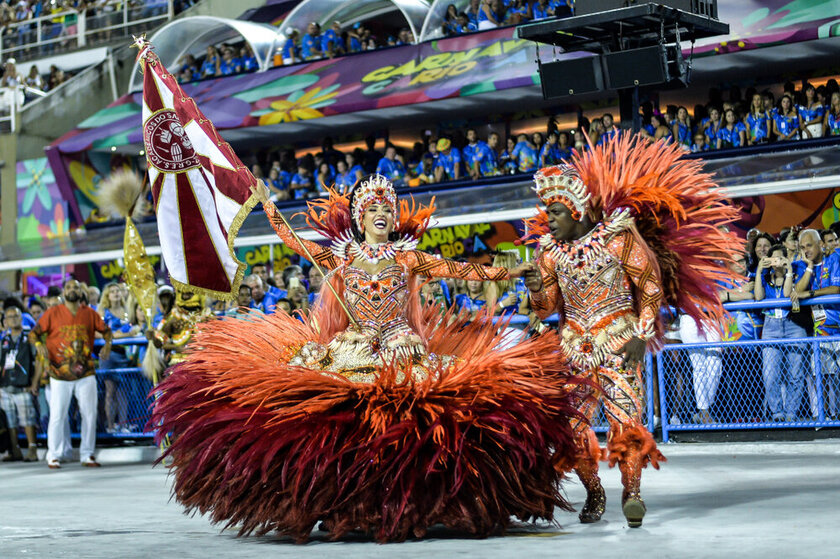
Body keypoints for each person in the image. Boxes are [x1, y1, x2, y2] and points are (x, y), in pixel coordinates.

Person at [152, 174, 585, 541]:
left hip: (402, 346)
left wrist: (507, 272)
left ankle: (418, 501)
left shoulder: (408, 257)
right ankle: (345, 503)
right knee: (336, 420)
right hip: (353, 346)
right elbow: (293, 241)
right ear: (361, 218)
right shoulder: (340, 256)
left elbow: (460, 270)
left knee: (417, 420)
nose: (383, 213)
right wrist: (266, 203)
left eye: (388, 207)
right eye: (374, 207)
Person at [520, 135, 740, 528]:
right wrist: (536, 286)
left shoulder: (617, 237)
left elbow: (650, 285)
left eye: (555, 212)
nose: (548, 219)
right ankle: (594, 492)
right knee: (571, 430)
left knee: (628, 423)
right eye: (547, 212)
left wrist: (642, 334)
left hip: (621, 342)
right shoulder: (549, 252)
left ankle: (632, 493)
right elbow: (546, 308)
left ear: (577, 210)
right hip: (572, 347)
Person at [30, 279, 112, 469]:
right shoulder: (52, 313)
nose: (72, 290)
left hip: (86, 373)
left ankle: (87, 454)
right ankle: (53, 455)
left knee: (89, 414)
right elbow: (33, 334)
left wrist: (107, 346)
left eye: (76, 287)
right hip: (59, 374)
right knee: (57, 415)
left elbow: (107, 332)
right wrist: (39, 344)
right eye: (68, 287)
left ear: (80, 292)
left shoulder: (90, 313)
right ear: (63, 292)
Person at [756, 244, 806, 421]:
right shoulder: (764, 276)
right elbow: (759, 297)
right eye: (773, 259)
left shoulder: (796, 273)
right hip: (770, 326)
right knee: (770, 374)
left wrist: (789, 269)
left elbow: (787, 294)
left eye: (780, 258)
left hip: (793, 325)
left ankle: (791, 413)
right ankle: (777, 412)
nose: (776, 262)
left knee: (795, 373)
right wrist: (759, 271)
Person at [0, 306, 39, 462]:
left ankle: (32, 449)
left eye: (16, 316)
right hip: (5, 385)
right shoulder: (3, 340)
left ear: (21, 318)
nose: (13, 319)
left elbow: (39, 362)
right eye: (9, 317)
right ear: (5, 322)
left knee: (28, 419)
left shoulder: (29, 337)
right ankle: (14, 450)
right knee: (10, 420)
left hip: (23, 386)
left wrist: (34, 383)